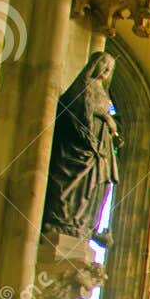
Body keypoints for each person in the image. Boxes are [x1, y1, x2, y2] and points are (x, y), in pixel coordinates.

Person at [42, 52, 121, 244]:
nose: (106, 69)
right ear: (94, 64)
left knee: (101, 184)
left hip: (100, 150)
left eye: (110, 67)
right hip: (82, 146)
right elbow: (79, 113)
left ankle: (85, 225)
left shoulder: (103, 92)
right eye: (103, 64)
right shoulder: (83, 86)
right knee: (71, 186)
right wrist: (104, 120)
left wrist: (110, 129)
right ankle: (64, 220)